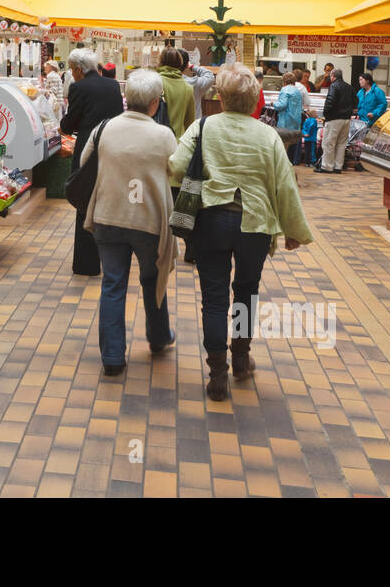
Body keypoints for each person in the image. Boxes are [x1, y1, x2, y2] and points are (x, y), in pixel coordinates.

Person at [170, 65, 314, 401]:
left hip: (211, 222)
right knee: (246, 292)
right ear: (254, 101)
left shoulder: (202, 126)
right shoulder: (267, 135)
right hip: (255, 225)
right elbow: (284, 185)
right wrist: (293, 230)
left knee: (215, 299)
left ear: (220, 97)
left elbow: (176, 167)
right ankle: (240, 357)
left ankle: (216, 373)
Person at [81, 70, 178, 376]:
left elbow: (85, 162)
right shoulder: (163, 135)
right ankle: (158, 336)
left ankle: (112, 355)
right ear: (154, 103)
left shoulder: (105, 128)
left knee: (113, 283)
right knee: (152, 278)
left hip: (108, 216)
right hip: (148, 221)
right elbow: (175, 173)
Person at [61, 48, 125, 277]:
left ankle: (86, 264)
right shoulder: (112, 85)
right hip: (112, 147)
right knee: (106, 200)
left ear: (78, 69)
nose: (72, 74)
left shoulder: (78, 87)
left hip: (88, 149)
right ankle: (109, 256)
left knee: (84, 201)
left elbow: (70, 124)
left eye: (71, 70)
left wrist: (64, 124)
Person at [318, 68, 355, 173]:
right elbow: (356, 101)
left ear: (333, 76)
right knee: (341, 144)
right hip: (346, 119)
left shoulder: (333, 86)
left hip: (334, 119)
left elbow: (330, 101)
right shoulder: (349, 87)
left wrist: (325, 114)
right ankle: (338, 167)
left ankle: (327, 167)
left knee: (329, 143)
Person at [155, 47, 196, 139]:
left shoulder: (154, 82)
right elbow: (189, 123)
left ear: (160, 62)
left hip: (155, 140)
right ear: (180, 63)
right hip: (176, 143)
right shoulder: (188, 88)